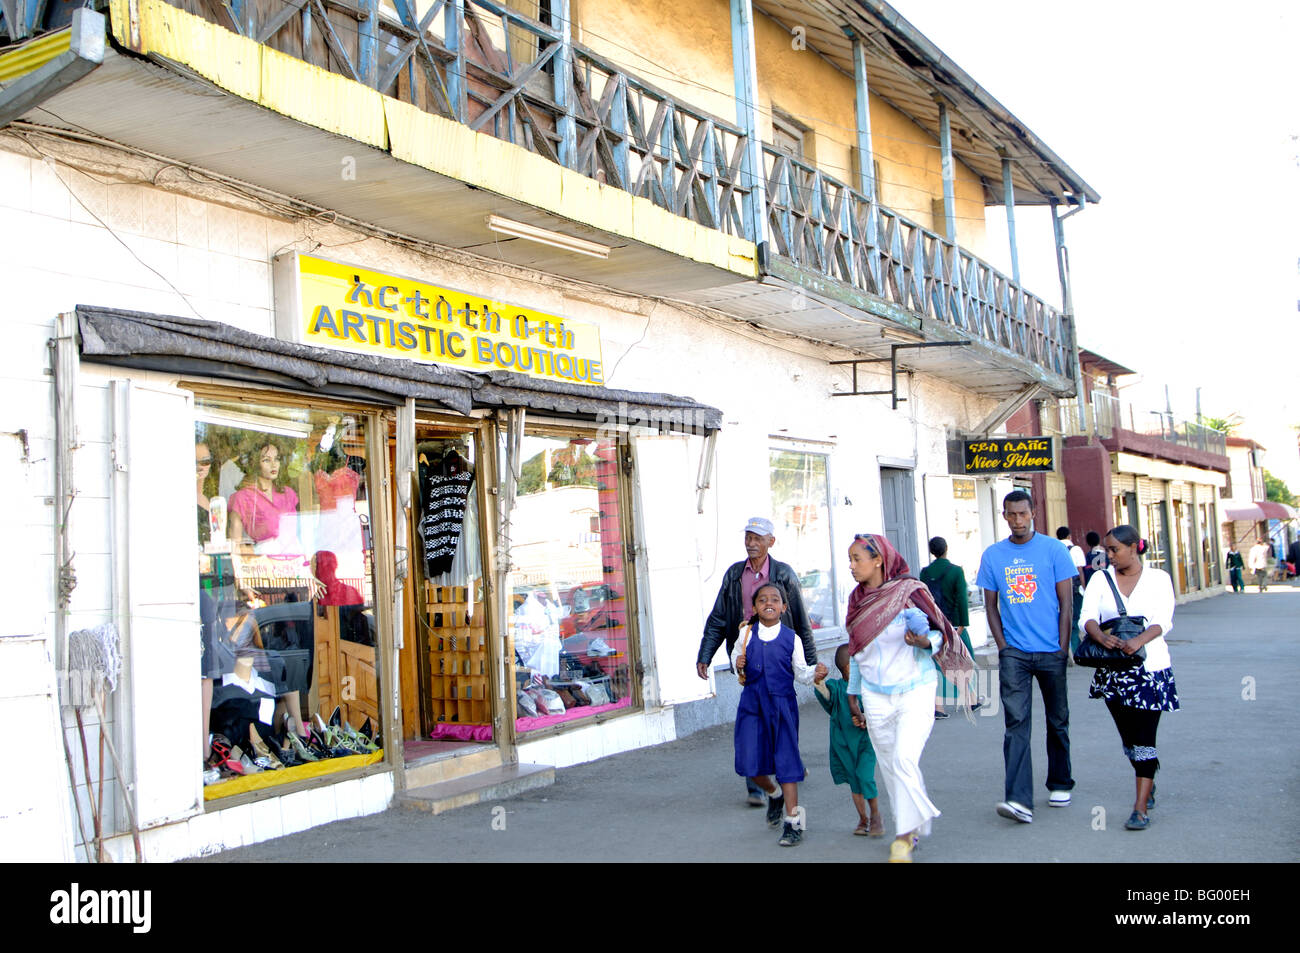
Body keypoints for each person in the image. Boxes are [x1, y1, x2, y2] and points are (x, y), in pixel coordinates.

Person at [844, 533, 973, 863]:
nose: (852, 566)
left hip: (916, 688)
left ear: (878, 560)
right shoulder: (856, 600)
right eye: (850, 559)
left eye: (857, 558)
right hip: (874, 694)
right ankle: (910, 830)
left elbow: (939, 631)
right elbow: (858, 649)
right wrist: (853, 692)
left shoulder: (910, 591)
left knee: (903, 760)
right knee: (889, 766)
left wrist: (924, 642)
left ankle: (907, 831)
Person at [698, 517, 816, 806]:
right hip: (748, 658)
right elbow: (718, 618)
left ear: (770, 542)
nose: (751, 543)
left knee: (781, 717)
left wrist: (812, 667)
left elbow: (801, 621)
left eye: (757, 538)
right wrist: (705, 655)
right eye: (748, 537)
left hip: (780, 658)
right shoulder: (734, 575)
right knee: (753, 718)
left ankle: (788, 768)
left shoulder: (784, 575)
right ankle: (757, 783)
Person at [977, 490, 1078, 824]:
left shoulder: (1054, 550)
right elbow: (990, 606)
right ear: (1003, 515)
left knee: (1057, 719)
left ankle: (1060, 783)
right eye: (1011, 515)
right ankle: (1018, 798)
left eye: (1023, 513)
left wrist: (1063, 648)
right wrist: (1003, 646)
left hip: (1051, 649)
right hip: (1015, 654)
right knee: (1016, 723)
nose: (1018, 520)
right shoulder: (993, 555)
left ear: (1033, 512)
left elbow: (1067, 604)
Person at [1079, 525, 1178, 831]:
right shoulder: (1100, 578)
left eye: (1114, 550)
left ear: (1134, 547)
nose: (1108, 556)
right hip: (1113, 672)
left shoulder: (1158, 578)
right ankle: (1146, 773)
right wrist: (1100, 636)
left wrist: (1140, 641)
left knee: (1145, 738)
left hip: (1150, 670)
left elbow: (1165, 619)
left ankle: (1140, 808)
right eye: (1106, 550)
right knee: (1129, 740)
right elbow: (1087, 617)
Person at [732, 582, 826, 847]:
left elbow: (802, 673)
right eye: (762, 600)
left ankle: (794, 822)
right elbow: (735, 658)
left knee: (787, 763)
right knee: (749, 763)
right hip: (752, 706)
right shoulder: (746, 635)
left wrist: (814, 673)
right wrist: (736, 663)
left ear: (784, 607)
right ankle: (773, 794)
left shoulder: (791, 638)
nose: (769, 603)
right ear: (755, 607)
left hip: (782, 707)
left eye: (775, 599)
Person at [813, 643, 883, 837]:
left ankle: (876, 815)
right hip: (844, 744)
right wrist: (819, 681)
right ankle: (863, 819)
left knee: (865, 777)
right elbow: (825, 696)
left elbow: (880, 712)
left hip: (865, 743)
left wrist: (866, 720)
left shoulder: (870, 687)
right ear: (847, 668)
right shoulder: (837, 689)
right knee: (854, 781)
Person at [918, 536, 981, 716]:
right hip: (953, 624)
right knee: (963, 659)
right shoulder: (955, 571)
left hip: (933, 624)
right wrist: (962, 624)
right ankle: (971, 699)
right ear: (946, 548)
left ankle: (938, 707)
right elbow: (962, 598)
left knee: (936, 663)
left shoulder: (924, 572)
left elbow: (923, 599)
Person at [1056, 526, 1087, 656]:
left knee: (1060, 617)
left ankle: (1064, 646)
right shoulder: (1076, 549)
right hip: (1075, 590)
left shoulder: (1054, 547)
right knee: (1074, 619)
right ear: (1069, 536)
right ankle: (1074, 649)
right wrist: (1085, 588)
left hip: (1057, 590)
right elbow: (1080, 570)